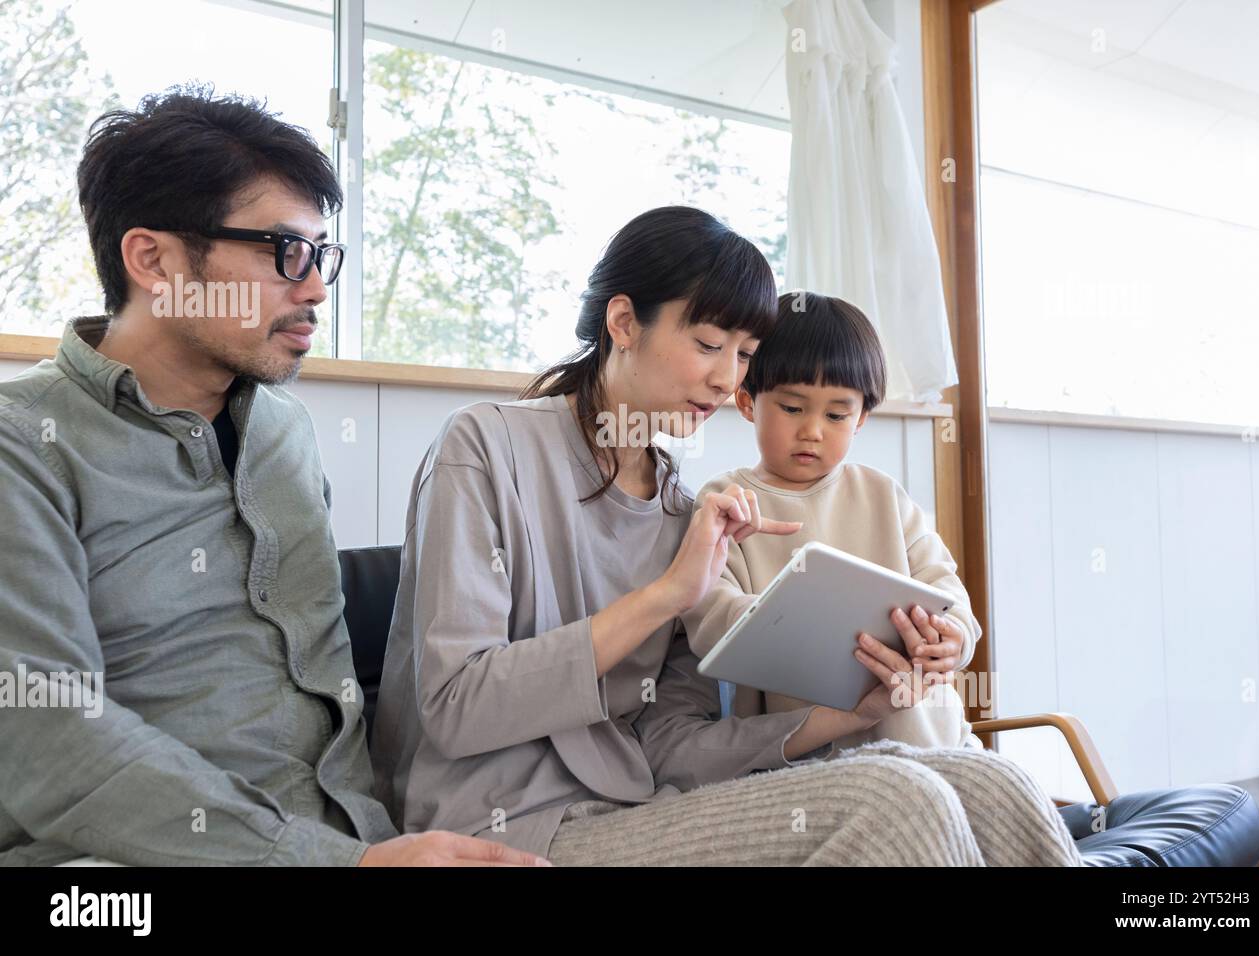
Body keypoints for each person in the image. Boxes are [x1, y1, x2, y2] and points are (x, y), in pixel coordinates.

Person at [371, 206, 1082, 866]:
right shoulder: (485, 448)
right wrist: (663, 597)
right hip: (505, 823)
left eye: (743, 355)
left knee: (992, 785)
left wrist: (845, 715)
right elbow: (455, 708)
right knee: (899, 802)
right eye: (708, 344)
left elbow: (676, 748)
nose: (725, 379)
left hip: (639, 803)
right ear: (624, 322)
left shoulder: (687, 512)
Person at [0, 87, 546, 867]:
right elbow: (50, 740)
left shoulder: (285, 434)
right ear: (152, 260)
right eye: (284, 251)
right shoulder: (24, 446)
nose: (316, 287)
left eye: (322, 255)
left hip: (359, 836)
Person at [682, 290, 982, 756]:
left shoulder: (883, 495)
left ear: (861, 417)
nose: (813, 430)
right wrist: (790, 619)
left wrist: (953, 640)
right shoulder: (728, 503)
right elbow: (708, 623)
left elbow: (948, 597)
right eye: (792, 408)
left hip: (938, 748)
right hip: (814, 768)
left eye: (837, 414)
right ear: (747, 403)